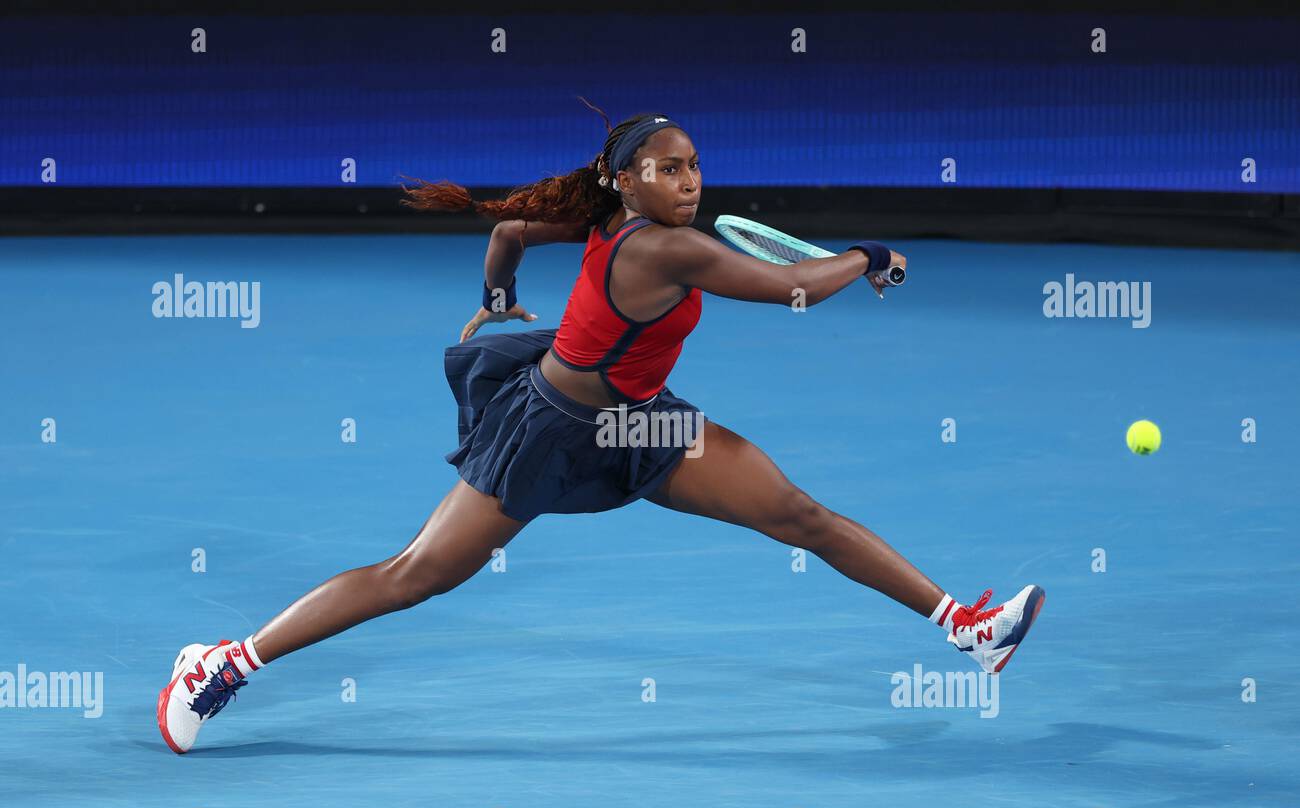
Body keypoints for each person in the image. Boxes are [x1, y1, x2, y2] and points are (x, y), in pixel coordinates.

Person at [157, 104, 1045, 755]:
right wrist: (873, 254)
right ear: (627, 180)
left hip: (642, 423)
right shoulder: (664, 248)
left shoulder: (612, 218)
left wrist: (497, 301)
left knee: (797, 515)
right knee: (414, 576)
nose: (689, 180)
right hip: (551, 429)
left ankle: (968, 627)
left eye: (694, 165)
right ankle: (223, 666)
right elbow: (797, 290)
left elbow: (505, 231)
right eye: (669, 169)